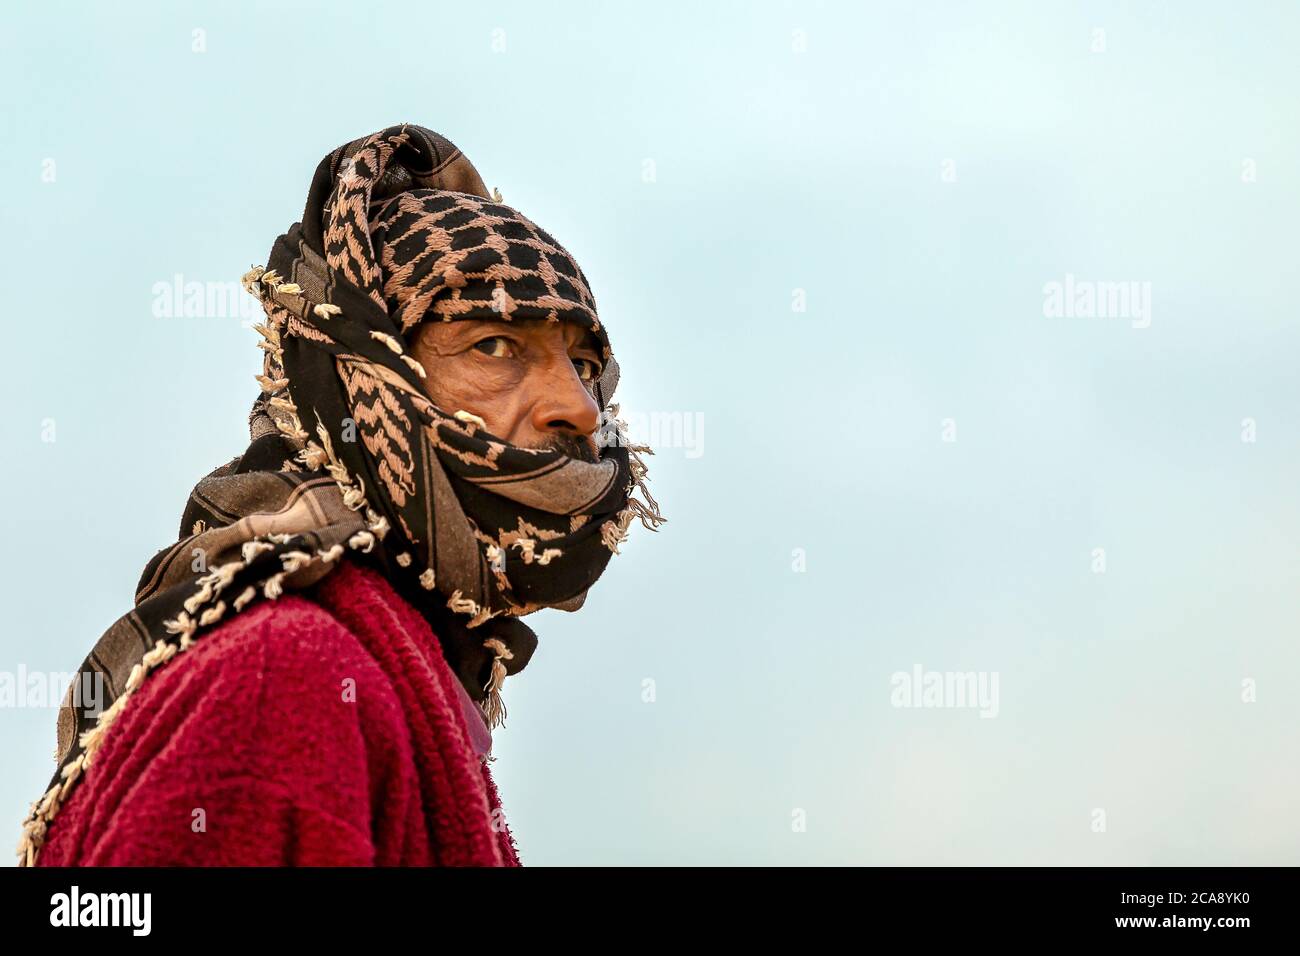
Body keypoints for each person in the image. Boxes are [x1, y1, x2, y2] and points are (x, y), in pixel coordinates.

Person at [17, 123, 663, 867]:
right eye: (493, 345)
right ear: (353, 378)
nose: (581, 410)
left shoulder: (395, 665)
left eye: (584, 363)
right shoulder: (282, 682)